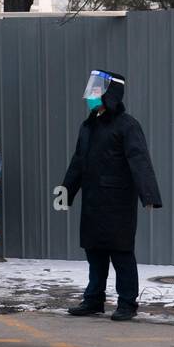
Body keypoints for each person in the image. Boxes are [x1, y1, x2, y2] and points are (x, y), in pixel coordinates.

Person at [62, 69, 162, 322]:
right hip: (93, 202)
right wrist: (66, 191)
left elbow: (139, 160)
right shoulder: (88, 126)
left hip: (117, 203)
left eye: (97, 91)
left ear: (110, 94)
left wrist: (148, 195)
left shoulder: (127, 126)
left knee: (121, 253)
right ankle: (93, 299)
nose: (91, 96)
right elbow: (78, 163)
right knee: (94, 252)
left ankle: (127, 303)